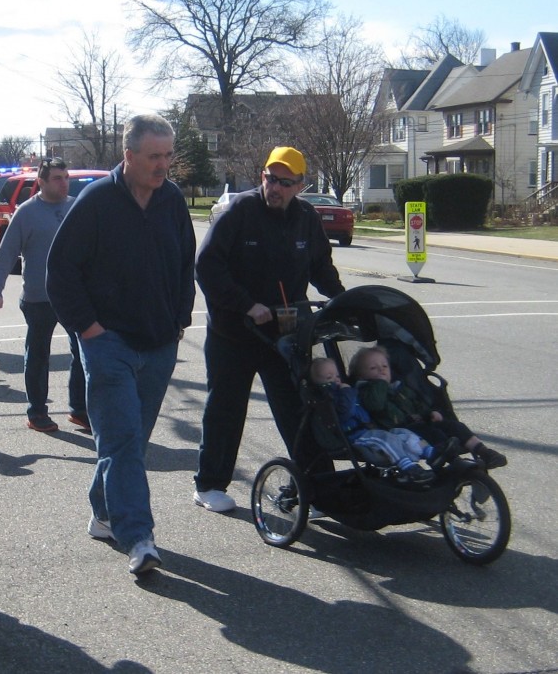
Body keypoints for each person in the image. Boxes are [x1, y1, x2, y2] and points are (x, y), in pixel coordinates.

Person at [47, 113, 196, 575]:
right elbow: (60, 273)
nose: (164, 165)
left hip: (158, 343)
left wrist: (179, 321)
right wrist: (88, 329)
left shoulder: (171, 200)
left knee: (129, 440)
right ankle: (139, 537)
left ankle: (104, 509)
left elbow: (185, 264)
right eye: (155, 156)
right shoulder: (96, 202)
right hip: (108, 344)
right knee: (123, 440)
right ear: (128, 156)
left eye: (169, 155)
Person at [193, 146, 346, 514]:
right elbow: (207, 266)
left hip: (286, 333)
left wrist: (343, 302)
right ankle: (209, 485)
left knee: (299, 407)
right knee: (226, 408)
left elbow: (321, 267)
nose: (274, 187)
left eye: (284, 182)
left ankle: (320, 486)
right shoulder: (239, 212)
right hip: (234, 332)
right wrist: (246, 304)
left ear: (300, 185)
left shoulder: (306, 217)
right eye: (269, 178)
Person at [0, 158, 87, 433]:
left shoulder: (75, 206)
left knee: (83, 352)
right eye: (57, 178)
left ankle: (79, 409)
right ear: (41, 182)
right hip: (39, 298)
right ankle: (37, 412)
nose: (64, 182)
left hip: (73, 297)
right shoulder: (27, 212)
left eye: (65, 176)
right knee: (39, 355)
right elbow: (6, 253)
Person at [350, 346, 507, 469]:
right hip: (399, 430)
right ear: (361, 376)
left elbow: (416, 403)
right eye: (373, 368)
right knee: (434, 433)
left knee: (455, 426)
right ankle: (455, 461)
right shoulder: (365, 391)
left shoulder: (399, 388)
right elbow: (375, 405)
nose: (382, 370)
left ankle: (483, 452)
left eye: (385, 366)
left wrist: (429, 412)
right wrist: (380, 384)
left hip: (420, 421)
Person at [309, 358, 448, 483]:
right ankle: (408, 468)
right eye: (329, 377)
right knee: (385, 438)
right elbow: (345, 413)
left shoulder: (343, 392)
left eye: (337, 376)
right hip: (355, 436)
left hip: (368, 430)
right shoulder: (330, 397)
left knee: (402, 432)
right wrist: (346, 392)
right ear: (318, 383)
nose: (336, 380)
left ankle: (431, 453)